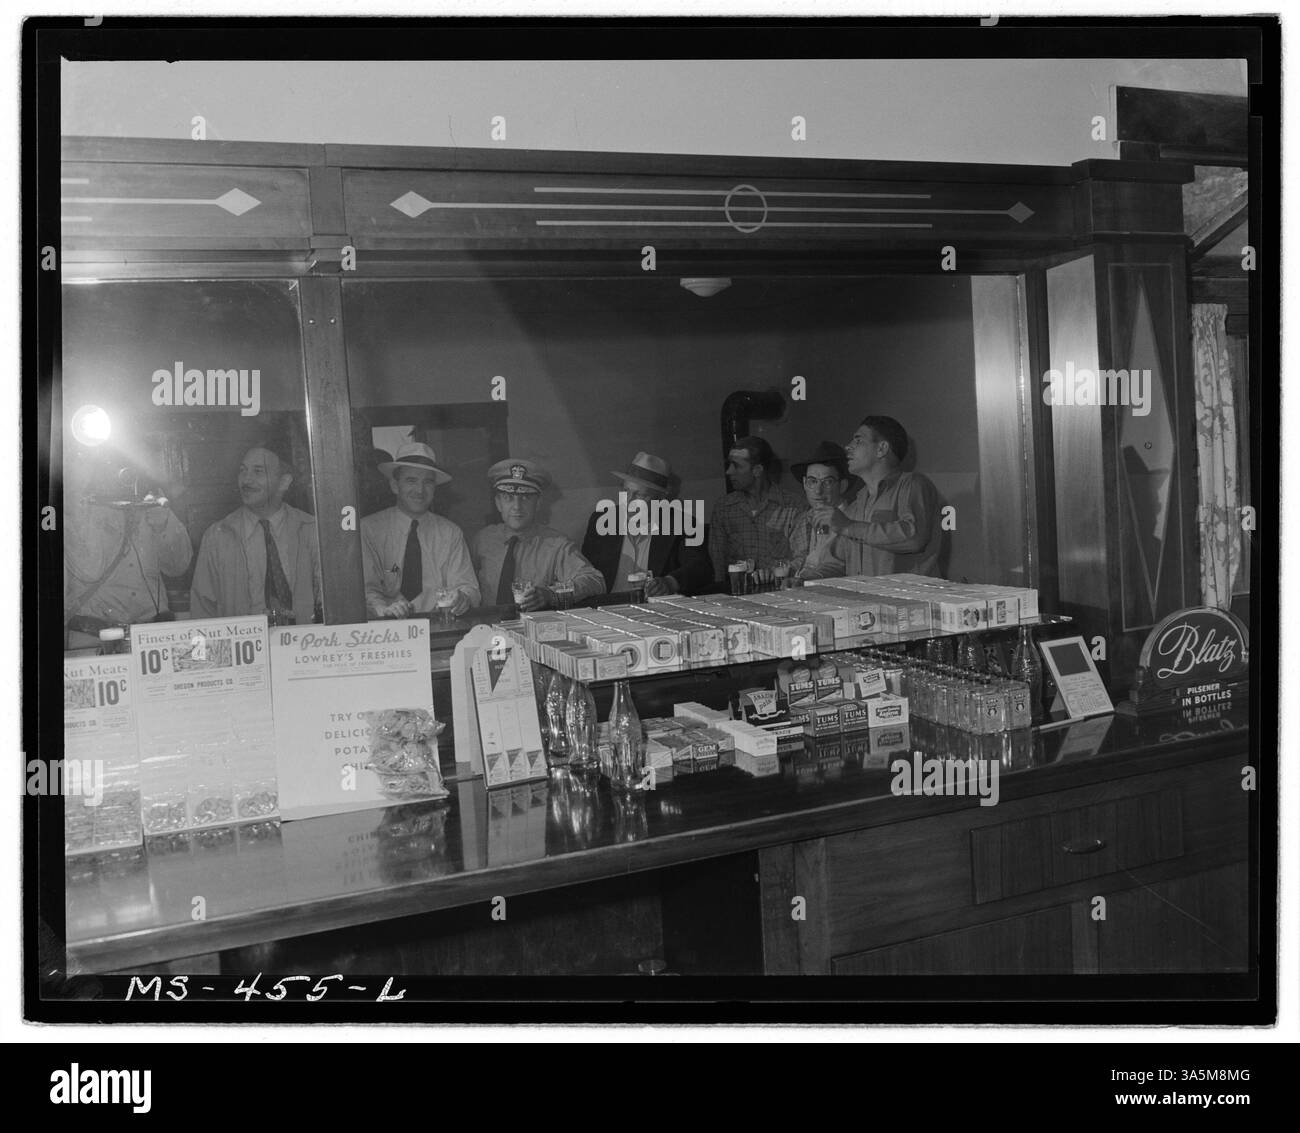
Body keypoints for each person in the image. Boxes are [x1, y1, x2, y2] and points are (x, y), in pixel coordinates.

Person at [63, 457, 193, 649]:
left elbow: (178, 566)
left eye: (128, 471)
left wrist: (165, 525)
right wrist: (76, 502)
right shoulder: (77, 506)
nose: (122, 477)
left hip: (150, 638)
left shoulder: (152, 502)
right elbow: (88, 570)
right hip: (92, 637)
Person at [189, 444, 321, 623]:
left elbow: (331, 600)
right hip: (242, 646)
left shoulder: (311, 530)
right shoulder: (218, 536)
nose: (246, 480)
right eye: (243, 471)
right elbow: (203, 611)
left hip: (303, 645)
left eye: (258, 472)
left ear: (284, 482)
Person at [808, 415, 941, 576]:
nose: (848, 447)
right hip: (866, 600)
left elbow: (914, 537)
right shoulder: (857, 504)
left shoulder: (912, 485)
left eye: (858, 441)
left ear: (881, 449)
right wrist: (808, 579)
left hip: (908, 599)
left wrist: (849, 526)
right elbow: (838, 562)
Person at [360, 441, 479, 618]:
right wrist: (383, 610)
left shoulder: (450, 533)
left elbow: (468, 587)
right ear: (394, 485)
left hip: (439, 628)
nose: (420, 490)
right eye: (411, 480)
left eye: (428, 482)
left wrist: (463, 597)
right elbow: (365, 589)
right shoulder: (369, 529)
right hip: (386, 631)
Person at [471, 459, 605, 612]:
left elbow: (595, 581)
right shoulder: (483, 540)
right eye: (508, 498)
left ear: (539, 503)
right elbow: (466, 587)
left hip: (535, 630)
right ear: (498, 503)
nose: (517, 507)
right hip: (487, 631)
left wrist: (551, 595)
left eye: (525, 498)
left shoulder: (556, 545)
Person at [580, 451, 713, 598]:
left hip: (654, 607)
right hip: (609, 604)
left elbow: (700, 568)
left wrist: (670, 583)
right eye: (626, 491)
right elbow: (585, 571)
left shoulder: (682, 523)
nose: (629, 501)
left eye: (639, 495)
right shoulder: (602, 520)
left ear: (660, 498)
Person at [706, 436, 804, 587]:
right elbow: (717, 563)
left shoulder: (793, 506)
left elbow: (803, 557)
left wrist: (774, 571)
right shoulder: (724, 508)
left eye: (736, 466)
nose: (728, 471)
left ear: (757, 470)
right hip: (737, 594)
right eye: (729, 465)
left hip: (781, 593)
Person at [788, 440, 852, 580]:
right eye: (812, 481)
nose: (818, 491)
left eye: (827, 482)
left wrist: (804, 579)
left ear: (842, 486)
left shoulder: (850, 520)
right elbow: (806, 559)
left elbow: (838, 568)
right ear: (805, 484)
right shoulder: (807, 517)